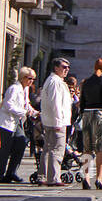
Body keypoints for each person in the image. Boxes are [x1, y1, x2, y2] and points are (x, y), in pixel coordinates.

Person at [0, 67, 37, 183]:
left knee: (21, 143)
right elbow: (8, 105)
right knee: (6, 148)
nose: (31, 81)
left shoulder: (25, 89)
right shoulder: (14, 88)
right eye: (29, 78)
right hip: (7, 122)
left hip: (17, 122)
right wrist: (24, 112)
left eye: (33, 79)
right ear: (22, 78)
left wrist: (35, 112)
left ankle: (11, 172)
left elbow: (26, 104)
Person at [77, 58, 102, 190]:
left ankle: (86, 178)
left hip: (87, 114)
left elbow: (82, 101)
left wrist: (81, 114)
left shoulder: (86, 82)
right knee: (100, 148)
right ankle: (99, 179)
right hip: (100, 114)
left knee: (86, 149)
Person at [40, 58, 73, 186]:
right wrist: (59, 122)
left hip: (51, 120)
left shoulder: (54, 80)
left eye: (68, 67)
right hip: (56, 121)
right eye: (64, 67)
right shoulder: (55, 82)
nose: (67, 70)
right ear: (56, 68)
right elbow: (55, 103)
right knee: (57, 149)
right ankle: (53, 178)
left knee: (48, 148)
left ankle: (43, 176)